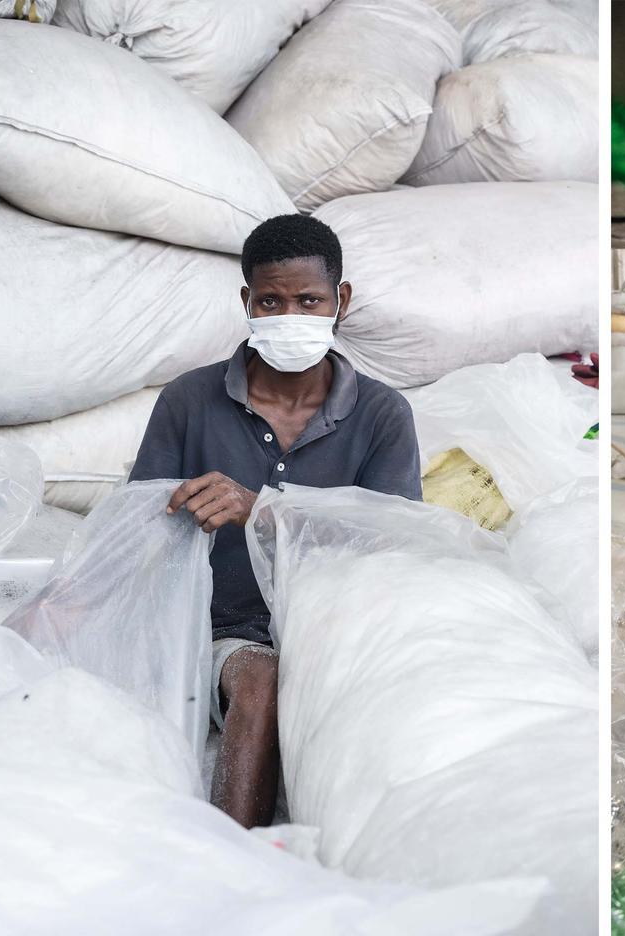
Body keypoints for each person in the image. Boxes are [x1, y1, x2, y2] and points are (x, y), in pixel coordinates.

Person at [129, 214, 421, 828]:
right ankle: (236, 862)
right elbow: (140, 531)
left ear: (341, 301)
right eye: (271, 300)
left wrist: (262, 511)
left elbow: (396, 543)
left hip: (332, 627)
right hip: (220, 630)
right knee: (262, 681)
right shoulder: (189, 400)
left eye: (308, 300)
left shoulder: (383, 414)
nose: (290, 315)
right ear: (247, 303)